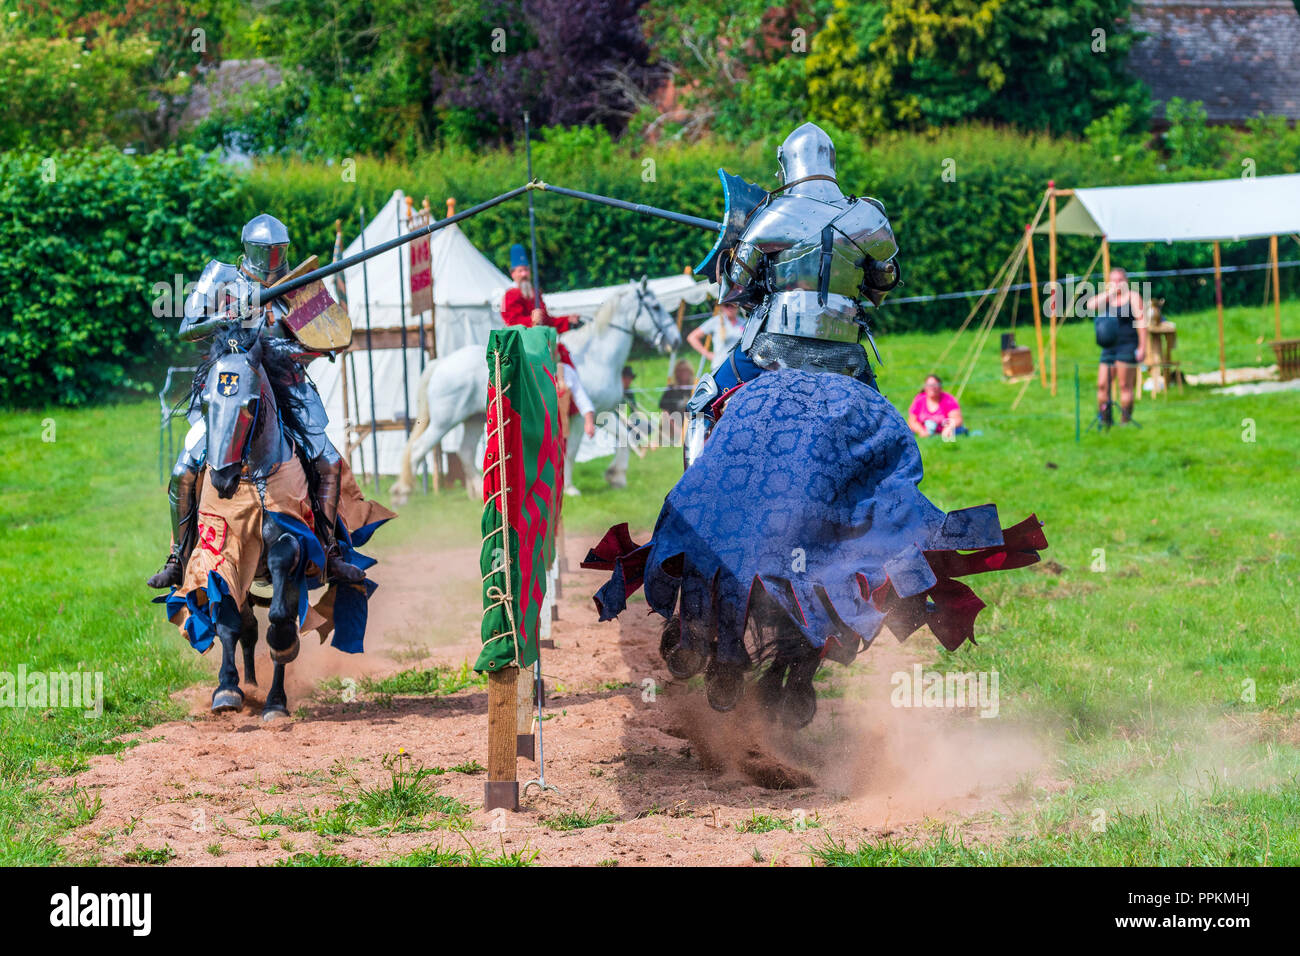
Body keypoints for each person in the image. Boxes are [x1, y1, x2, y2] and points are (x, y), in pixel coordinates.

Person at [147, 214, 366, 589]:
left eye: (280, 250)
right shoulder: (220, 278)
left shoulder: (298, 286)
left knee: (328, 461)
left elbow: (328, 337)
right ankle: (178, 558)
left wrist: (303, 347)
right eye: (267, 251)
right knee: (184, 470)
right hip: (230, 389)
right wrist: (226, 313)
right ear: (249, 250)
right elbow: (187, 328)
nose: (273, 257)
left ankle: (329, 552)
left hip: (286, 387)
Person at [683, 122, 901, 466]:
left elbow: (733, 287)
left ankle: (691, 492)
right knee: (884, 425)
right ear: (830, 162)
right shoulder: (869, 217)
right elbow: (880, 286)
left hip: (773, 350)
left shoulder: (774, 213)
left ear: (787, 163)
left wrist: (736, 247)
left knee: (702, 403)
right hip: (845, 357)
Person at [500, 244, 595, 438]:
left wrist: (566, 320)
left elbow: (547, 321)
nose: (524, 274)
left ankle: (571, 410)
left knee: (566, 367)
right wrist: (530, 321)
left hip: (545, 345)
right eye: (520, 271)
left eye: (526, 270)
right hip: (524, 345)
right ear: (513, 274)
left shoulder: (536, 293)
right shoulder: (510, 296)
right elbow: (511, 322)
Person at [1085, 266, 1146, 427]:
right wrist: (1109, 293)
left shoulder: (1133, 297)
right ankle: (1105, 420)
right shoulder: (1107, 298)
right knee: (1102, 384)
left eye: (1120, 280)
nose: (1117, 284)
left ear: (1126, 281)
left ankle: (1125, 421)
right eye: (1114, 280)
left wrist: (1142, 347)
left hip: (1127, 345)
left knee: (1124, 385)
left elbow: (1141, 323)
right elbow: (1090, 306)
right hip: (1109, 347)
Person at [686, 302, 745, 372]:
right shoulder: (715, 321)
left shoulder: (744, 322)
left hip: (740, 367)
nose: (730, 308)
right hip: (720, 367)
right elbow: (692, 337)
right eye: (727, 305)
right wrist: (707, 354)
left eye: (733, 305)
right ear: (722, 306)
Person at [907, 374, 964, 440]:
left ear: (940, 387)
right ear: (925, 387)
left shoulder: (948, 399)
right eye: (929, 385)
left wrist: (948, 428)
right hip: (923, 433)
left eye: (935, 385)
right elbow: (912, 421)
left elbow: (957, 419)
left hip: (944, 432)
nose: (932, 388)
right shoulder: (919, 399)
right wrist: (921, 431)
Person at [658, 359, 695, 444]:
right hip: (673, 425)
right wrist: (679, 431)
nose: (683, 373)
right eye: (680, 371)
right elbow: (665, 413)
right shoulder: (671, 389)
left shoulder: (694, 388)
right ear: (676, 373)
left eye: (685, 370)